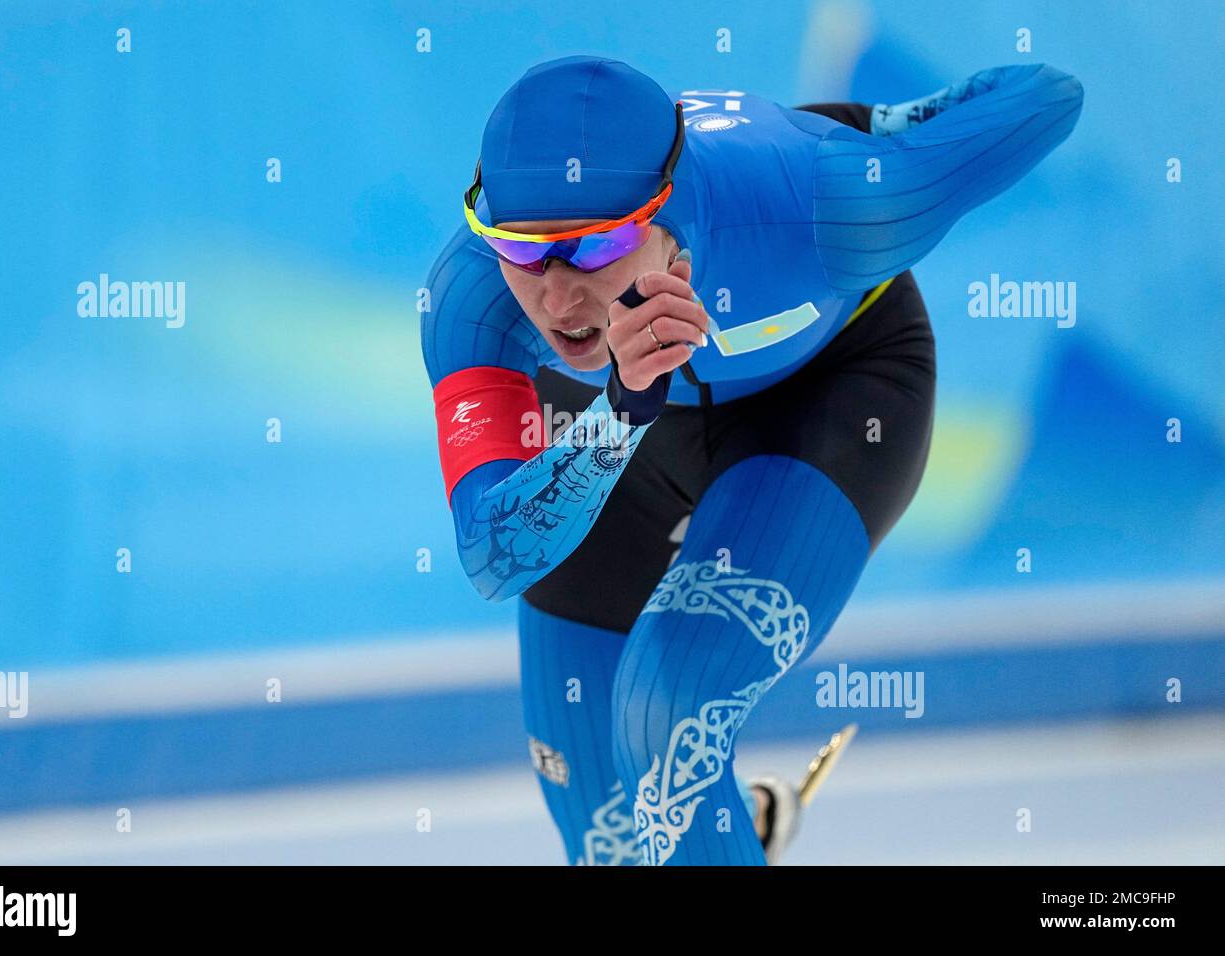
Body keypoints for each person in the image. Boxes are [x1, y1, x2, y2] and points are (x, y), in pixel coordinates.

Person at [421, 55, 1082, 865]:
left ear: (668, 217)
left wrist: (864, 124)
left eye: (593, 250)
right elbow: (495, 557)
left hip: (826, 399)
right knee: (611, 842)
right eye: (523, 250)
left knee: (666, 709)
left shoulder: (833, 202)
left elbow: (1047, 96)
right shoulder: (472, 294)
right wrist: (621, 412)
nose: (557, 300)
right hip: (621, 413)